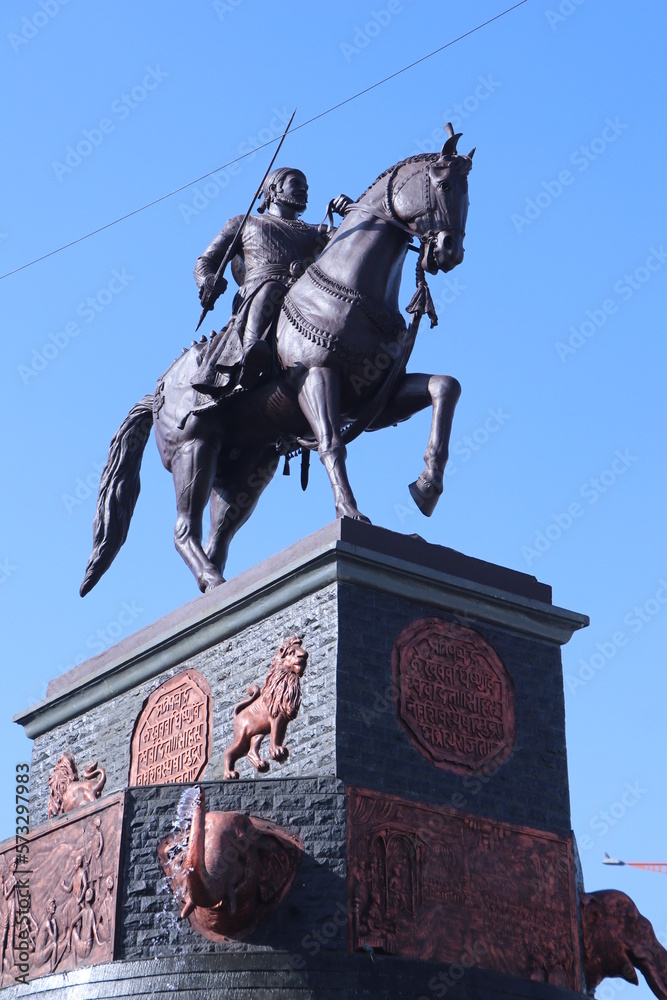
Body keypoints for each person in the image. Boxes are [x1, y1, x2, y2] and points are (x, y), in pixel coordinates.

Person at [192, 167, 350, 394]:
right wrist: (207, 280)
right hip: (259, 291)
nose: (304, 190)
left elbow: (354, 246)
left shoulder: (317, 231)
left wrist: (352, 212)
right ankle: (250, 351)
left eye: (307, 187)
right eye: (297, 183)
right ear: (274, 189)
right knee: (271, 288)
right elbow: (206, 261)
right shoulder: (244, 223)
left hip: (305, 295)